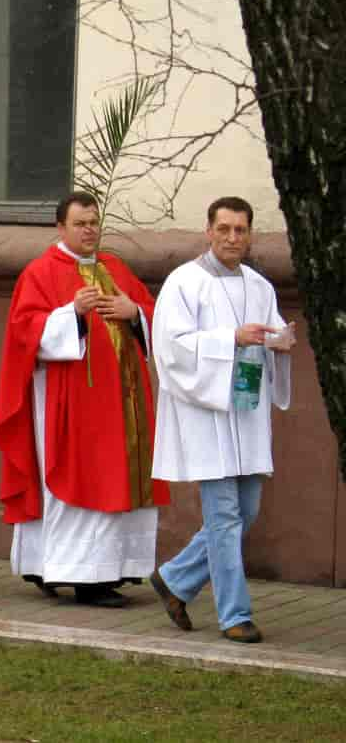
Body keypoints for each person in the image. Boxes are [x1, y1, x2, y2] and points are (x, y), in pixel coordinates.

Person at [0, 191, 170, 607]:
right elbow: (24, 333)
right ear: (61, 228)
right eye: (80, 223)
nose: (90, 230)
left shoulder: (115, 268)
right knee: (79, 480)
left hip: (121, 404)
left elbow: (148, 310)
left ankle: (109, 570)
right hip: (69, 406)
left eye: (94, 222)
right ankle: (84, 577)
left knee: (116, 480)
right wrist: (70, 314)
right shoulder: (40, 273)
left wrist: (136, 313)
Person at [149, 196, 293, 643]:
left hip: (246, 412)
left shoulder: (259, 286)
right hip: (206, 414)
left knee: (243, 513)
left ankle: (175, 579)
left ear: (250, 234)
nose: (233, 238)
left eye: (241, 230)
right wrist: (229, 338)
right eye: (225, 229)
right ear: (209, 231)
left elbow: (270, 330)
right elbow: (170, 347)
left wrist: (280, 342)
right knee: (225, 516)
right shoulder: (184, 282)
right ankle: (235, 615)